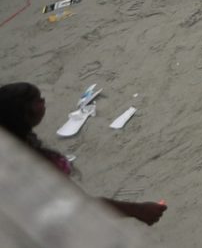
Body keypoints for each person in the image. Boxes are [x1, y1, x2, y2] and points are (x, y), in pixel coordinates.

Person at [0, 83, 167, 224]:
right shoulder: (32, 164)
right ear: (24, 113)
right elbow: (80, 206)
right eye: (37, 100)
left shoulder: (14, 145)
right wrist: (140, 211)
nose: (43, 101)